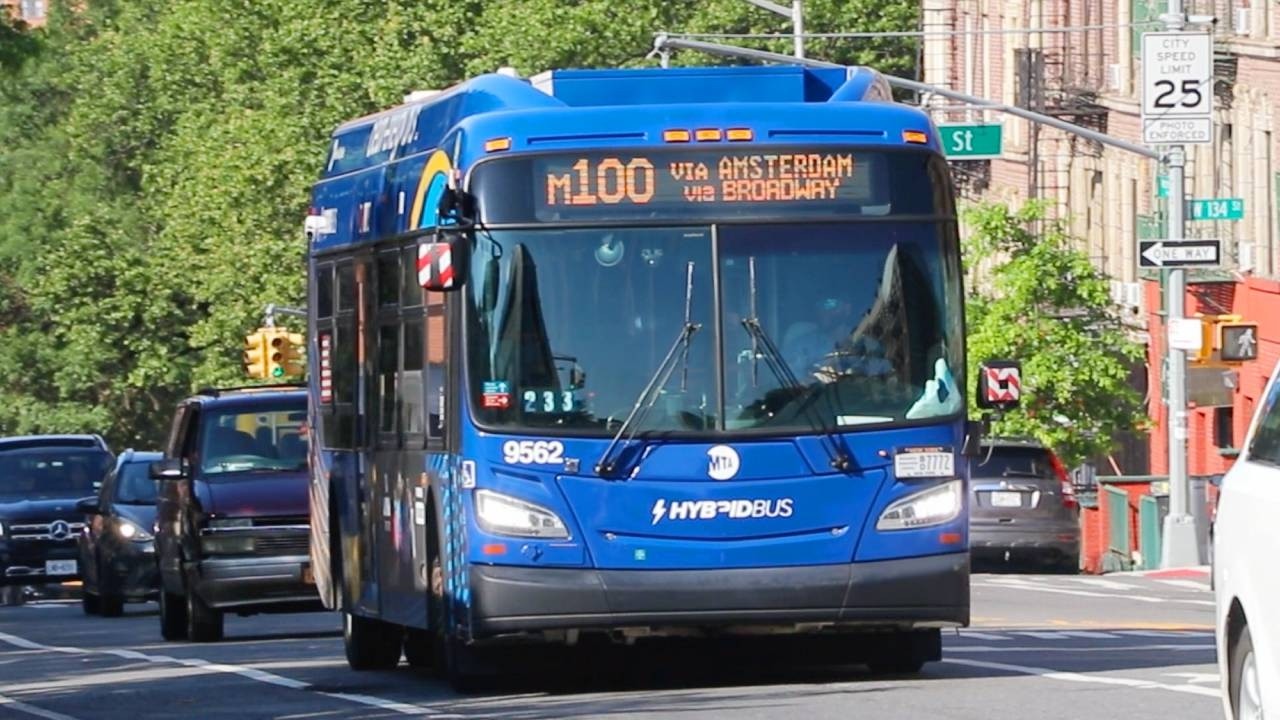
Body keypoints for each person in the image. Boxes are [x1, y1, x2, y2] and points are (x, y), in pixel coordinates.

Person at [782, 297, 893, 383]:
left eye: (830, 304)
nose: (823, 311)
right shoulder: (801, 344)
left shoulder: (867, 344)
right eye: (819, 305)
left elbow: (883, 376)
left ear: (847, 309)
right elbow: (787, 377)